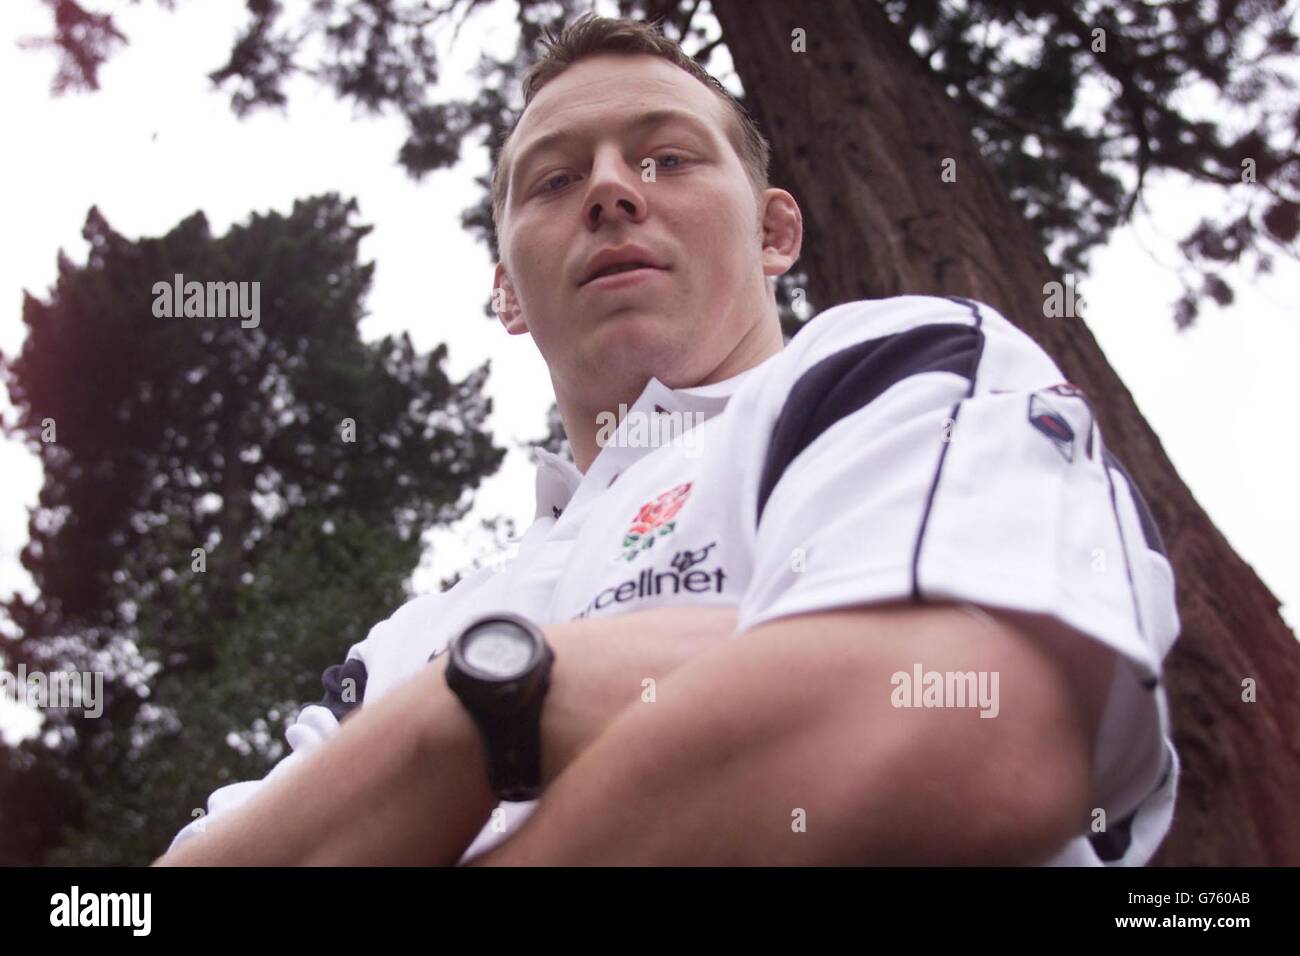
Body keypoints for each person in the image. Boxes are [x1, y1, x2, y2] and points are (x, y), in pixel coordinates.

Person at [155, 13, 1179, 866]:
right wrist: (480, 701)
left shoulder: (893, 367)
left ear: (774, 232)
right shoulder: (402, 648)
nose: (611, 189)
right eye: (553, 182)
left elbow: (957, 732)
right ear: (506, 291)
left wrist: (468, 720)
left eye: (667, 157)